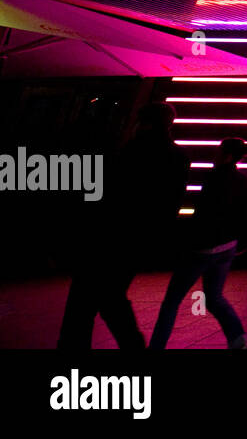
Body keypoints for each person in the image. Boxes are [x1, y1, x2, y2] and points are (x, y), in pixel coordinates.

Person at [57, 102, 190, 349]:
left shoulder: (130, 151)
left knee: (87, 301)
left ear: (143, 121)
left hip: (109, 237)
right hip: (141, 240)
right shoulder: (179, 157)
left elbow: (111, 196)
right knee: (109, 297)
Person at [149, 137, 247, 349]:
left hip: (202, 248)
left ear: (226, 155)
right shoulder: (242, 179)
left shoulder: (213, 179)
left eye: (218, 152)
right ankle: (237, 338)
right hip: (227, 247)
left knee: (172, 301)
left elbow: (203, 216)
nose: (215, 155)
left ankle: (156, 347)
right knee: (214, 297)